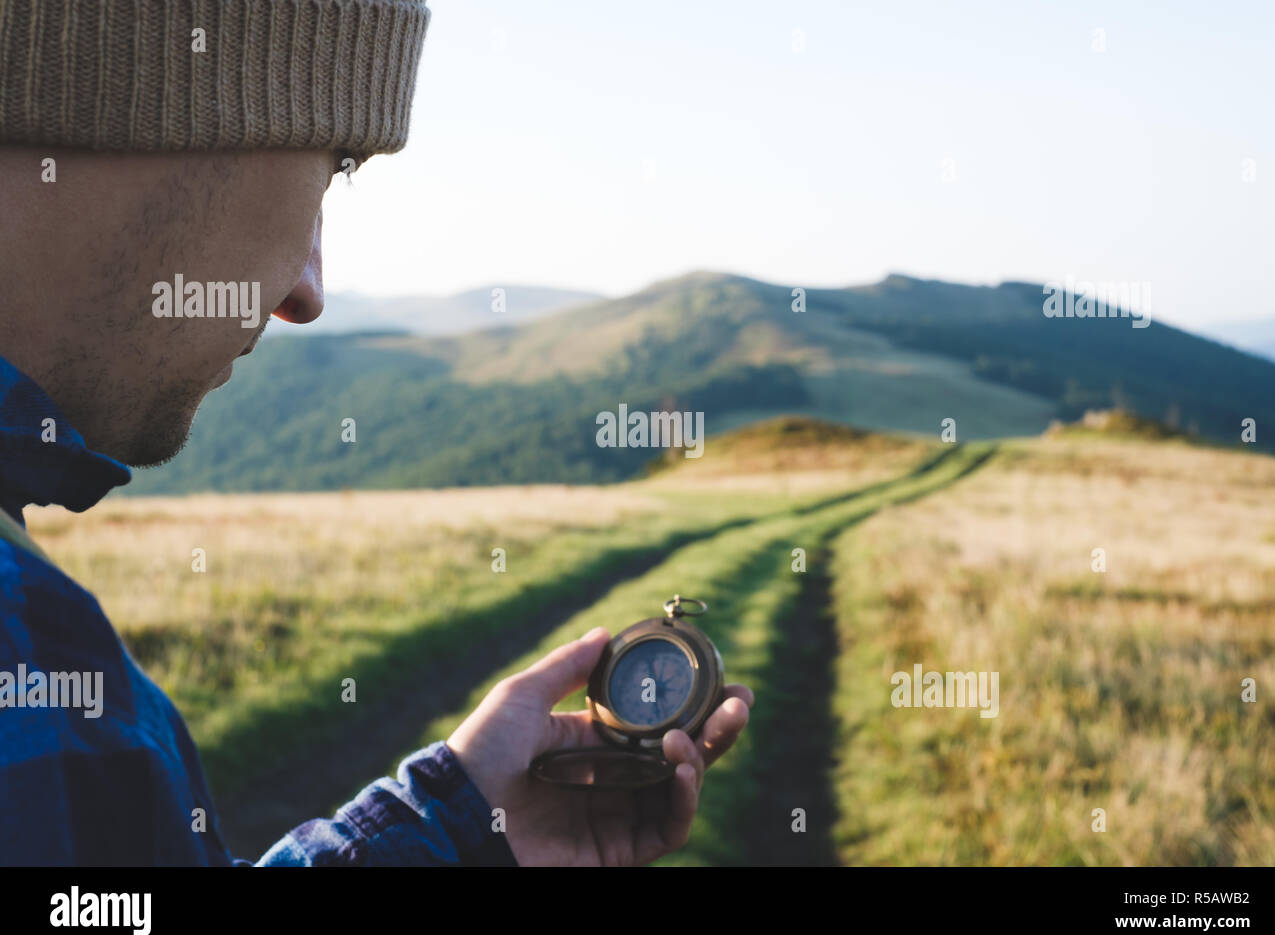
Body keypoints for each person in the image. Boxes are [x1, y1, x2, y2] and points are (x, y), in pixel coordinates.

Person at [0, 0, 751, 866]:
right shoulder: (29, 647)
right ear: (149, 105)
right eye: (335, 165)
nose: (307, 292)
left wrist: (464, 825)